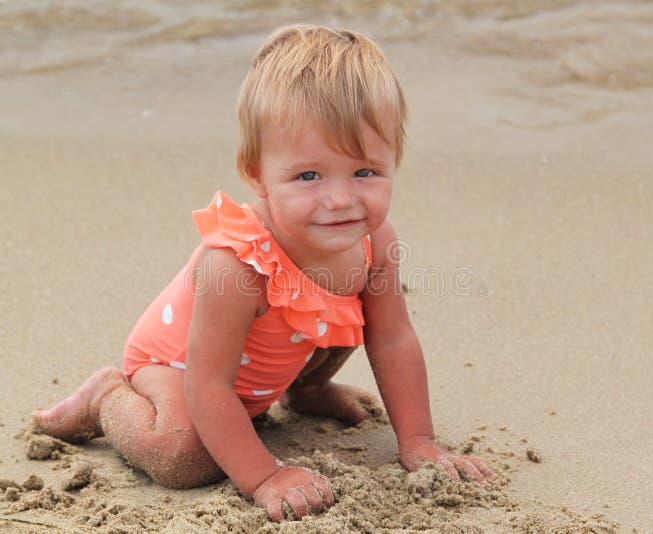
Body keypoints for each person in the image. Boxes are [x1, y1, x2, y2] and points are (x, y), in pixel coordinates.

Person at [31, 24, 494, 521]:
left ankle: (307, 389)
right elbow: (207, 386)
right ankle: (107, 397)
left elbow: (394, 338)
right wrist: (266, 476)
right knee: (185, 455)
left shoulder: (375, 241)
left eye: (366, 172)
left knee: (351, 306)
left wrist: (419, 441)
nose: (340, 199)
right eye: (308, 176)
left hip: (275, 356)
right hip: (179, 369)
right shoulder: (235, 264)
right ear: (256, 173)